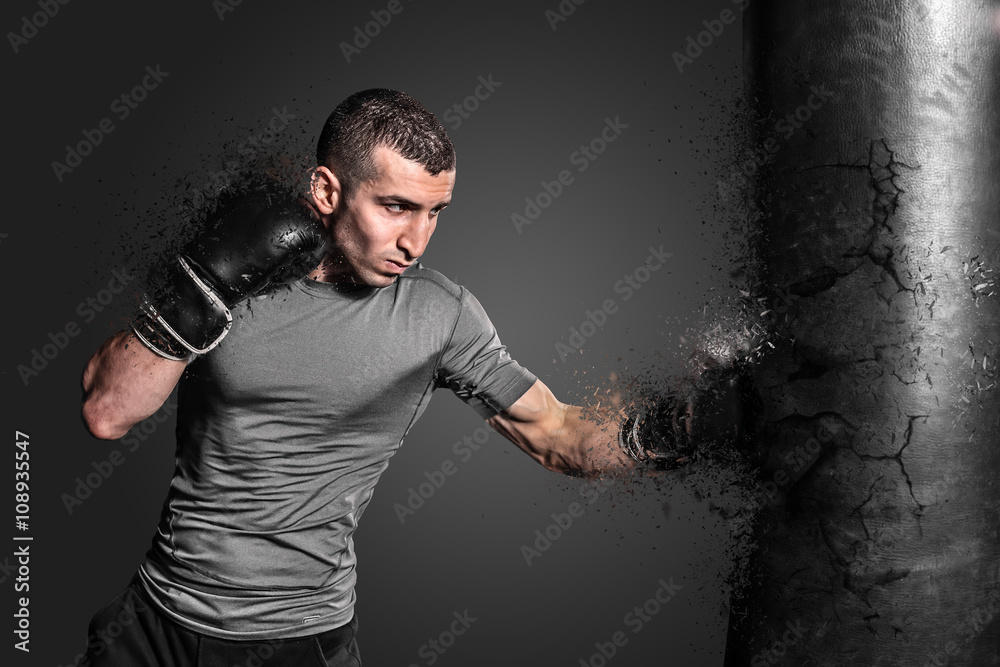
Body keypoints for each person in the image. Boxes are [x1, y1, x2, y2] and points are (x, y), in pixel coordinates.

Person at [79, 89, 730, 666]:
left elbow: (558, 433)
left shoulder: (438, 315)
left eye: (434, 211)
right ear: (328, 191)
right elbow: (108, 412)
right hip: (153, 620)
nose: (416, 240)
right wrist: (201, 284)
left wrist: (684, 426)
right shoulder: (237, 273)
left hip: (293, 640)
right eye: (395, 206)